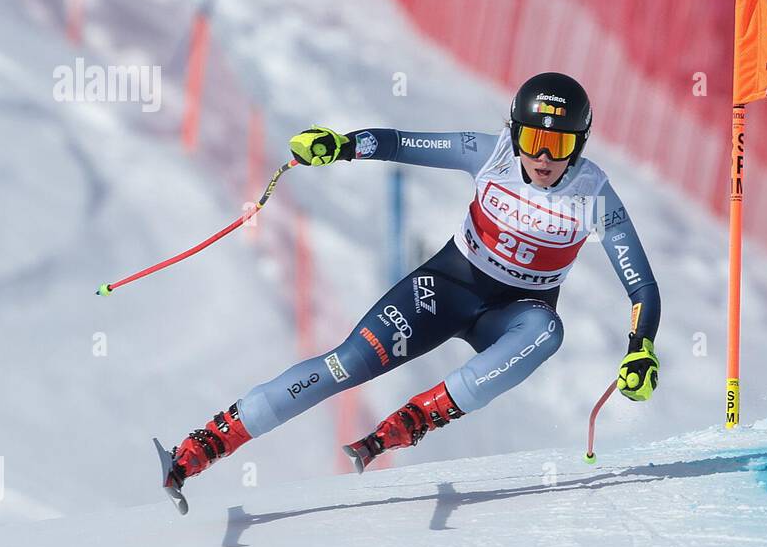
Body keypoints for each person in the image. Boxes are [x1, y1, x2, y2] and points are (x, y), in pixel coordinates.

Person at [163, 72, 661, 487]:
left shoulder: (594, 193)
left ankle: (421, 416)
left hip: (516, 315)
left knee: (548, 332)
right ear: (515, 134)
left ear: (580, 144)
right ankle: (205, 446)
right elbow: (403, 143)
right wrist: (341, 146)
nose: (545, 159)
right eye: (534, 140)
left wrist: (641, 346)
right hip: (447, 288)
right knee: (344, 365)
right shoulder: (488, 155)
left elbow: (641, 285)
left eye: (559, 145)